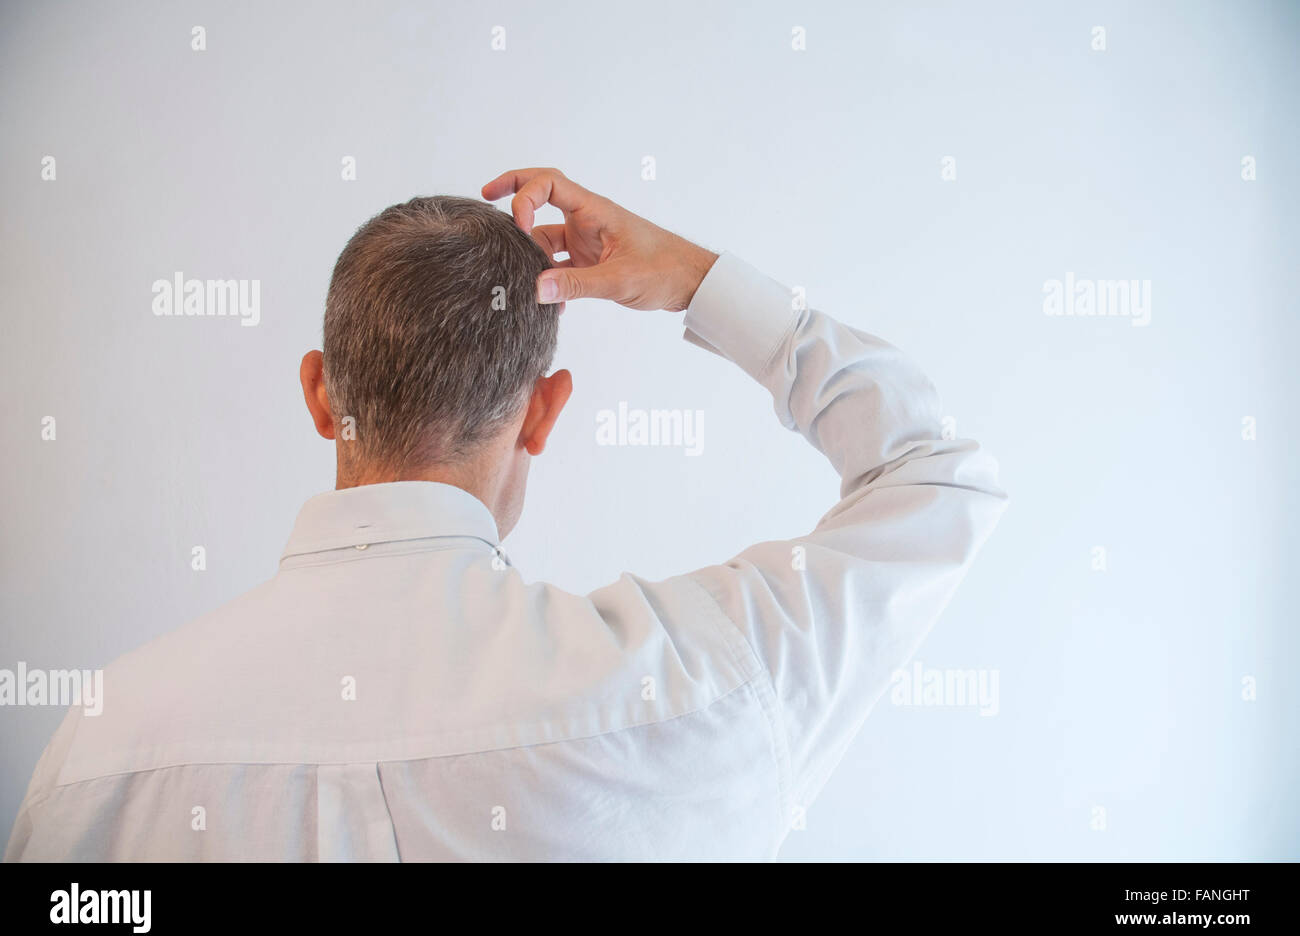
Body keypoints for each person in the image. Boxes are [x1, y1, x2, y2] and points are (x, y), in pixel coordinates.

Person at [5, 168, 1007, 861]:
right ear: (543, 409)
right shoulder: (697, 676)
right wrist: (698, 281)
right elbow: (936, 475)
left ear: (320, 392)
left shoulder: (103, 744)